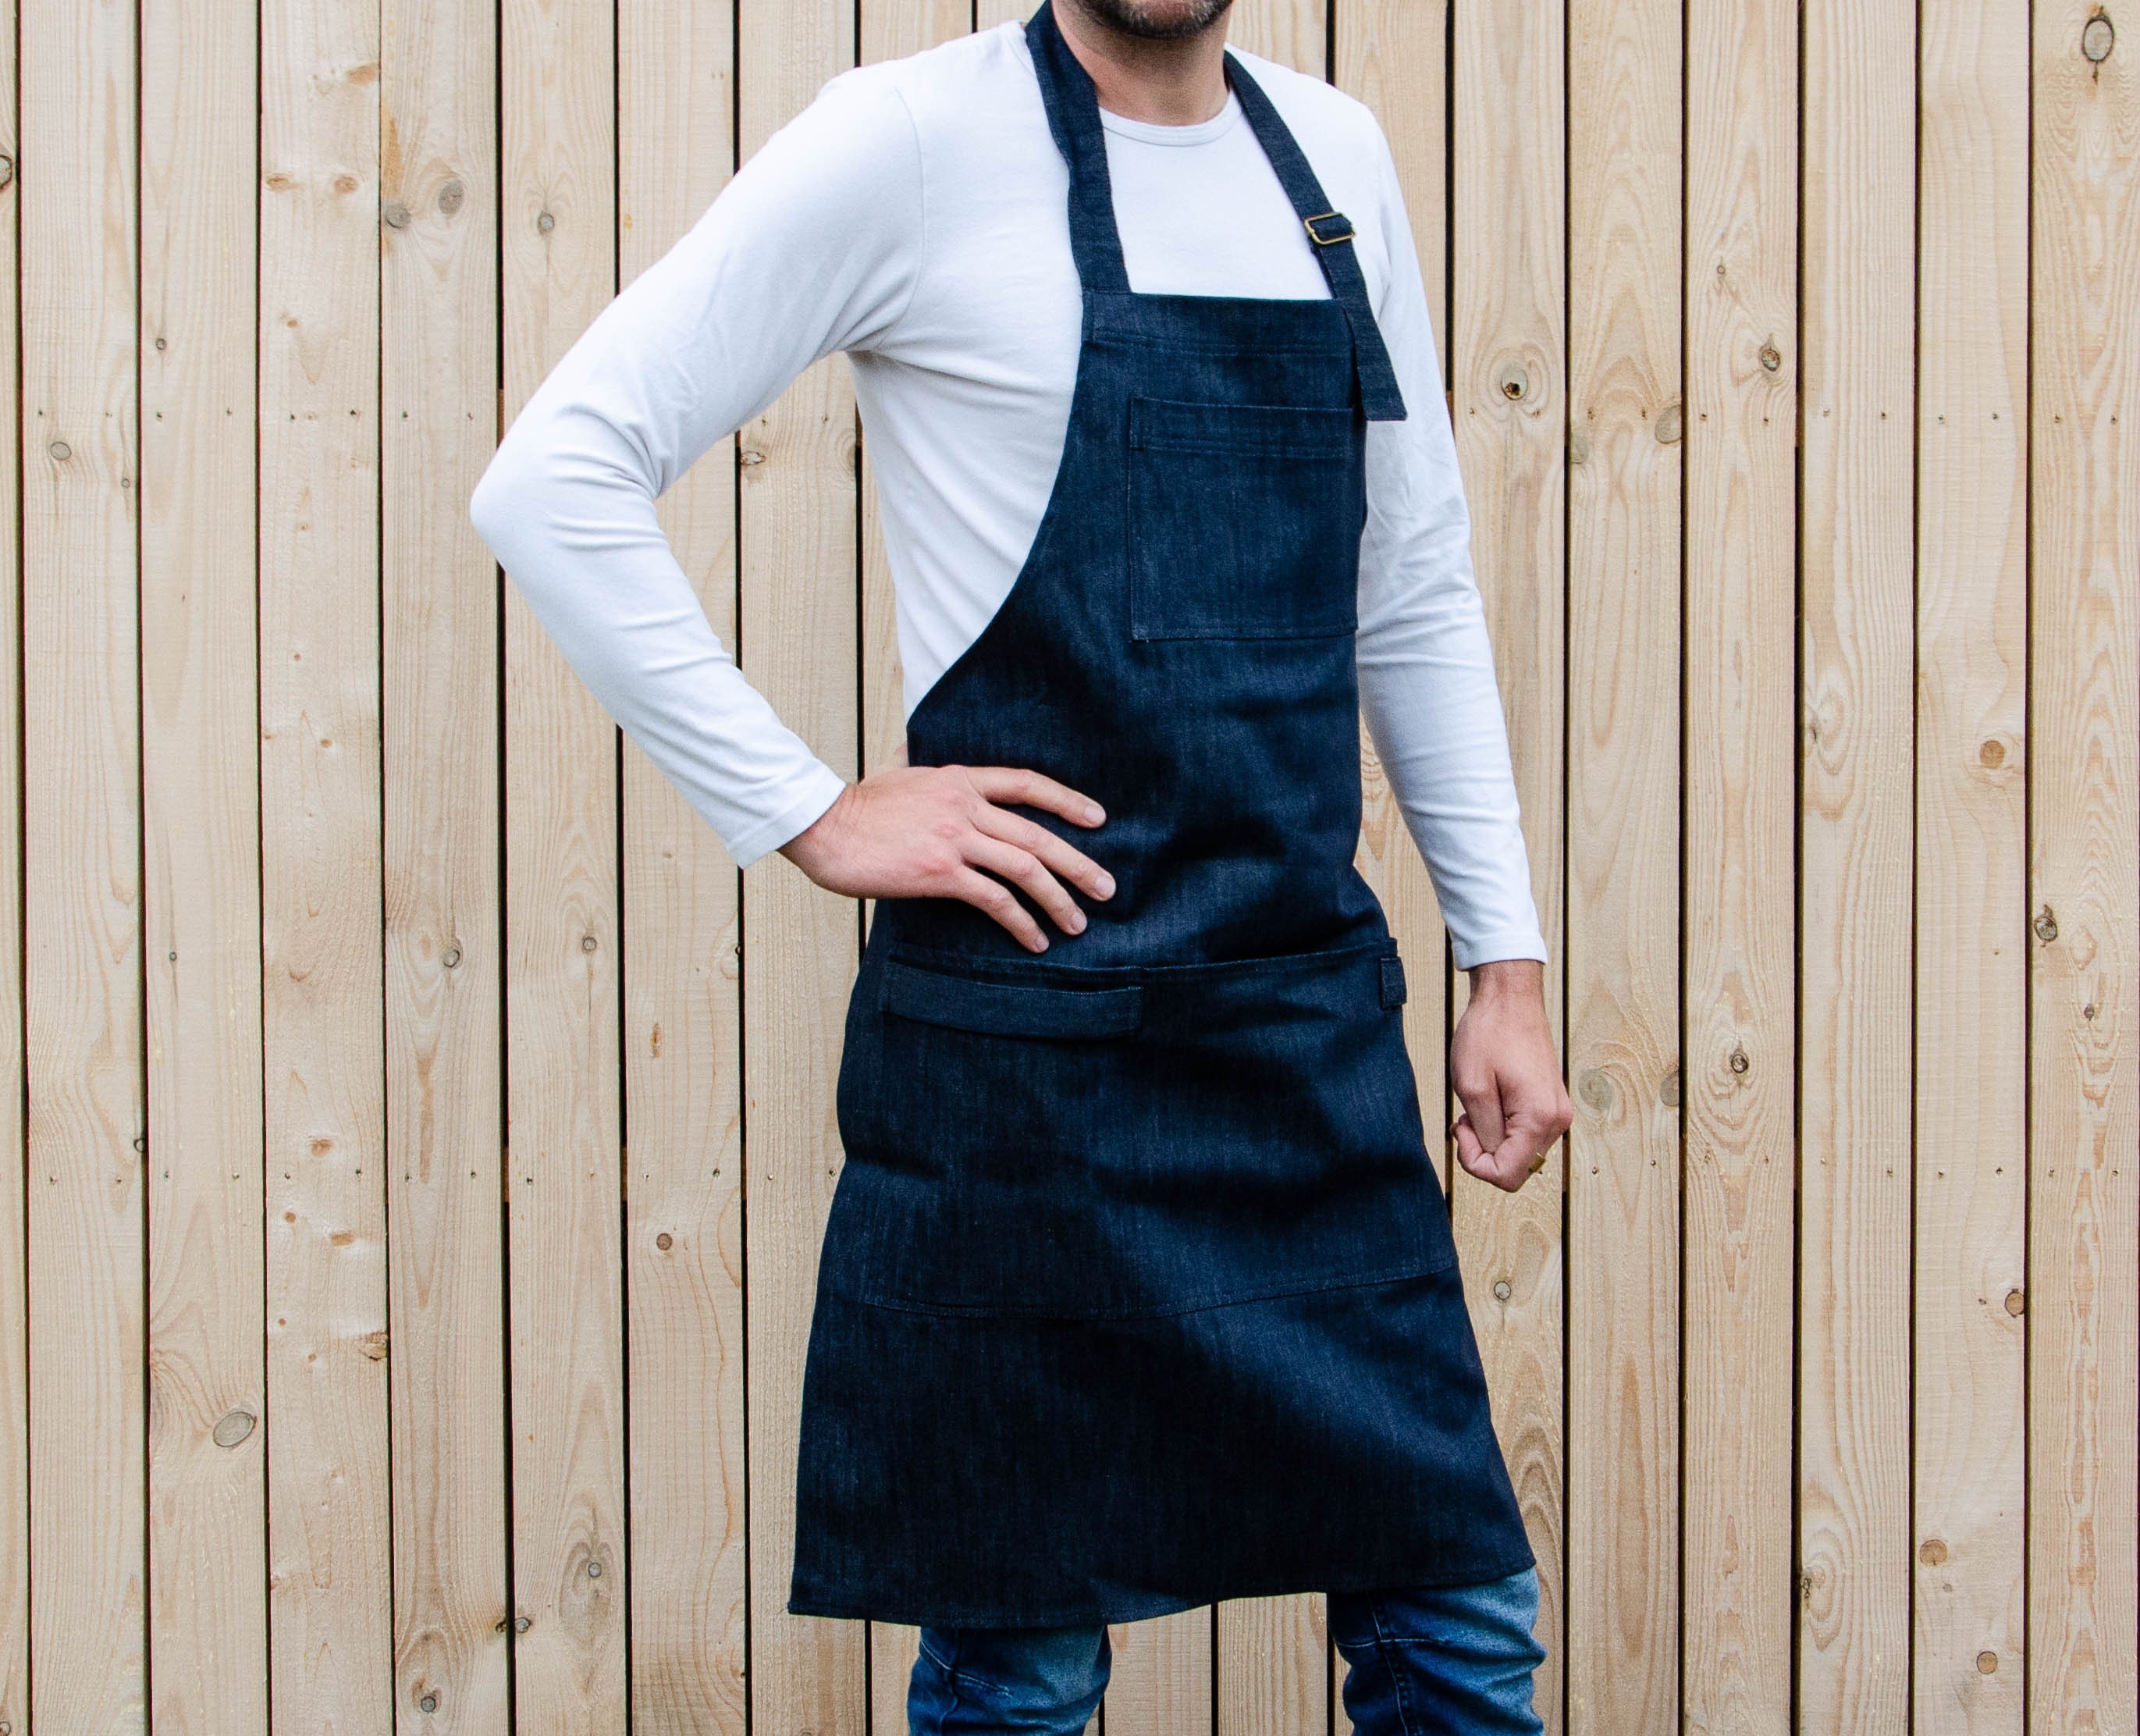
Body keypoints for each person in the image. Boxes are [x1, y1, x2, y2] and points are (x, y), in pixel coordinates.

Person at [471, 0, 1572, 1728]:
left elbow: (1409, 587)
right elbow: (554, 479)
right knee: (1021, 1666)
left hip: (1295, 1038)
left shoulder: (1331, 164)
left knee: (1459, 1624)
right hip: (1026, 1066)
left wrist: (1501, 963)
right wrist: (812, 806)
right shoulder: (910, 140)